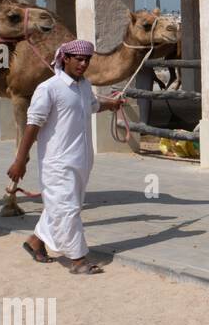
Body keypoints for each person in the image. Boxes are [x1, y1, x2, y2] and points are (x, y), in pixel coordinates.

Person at [7, 39, 123, 274]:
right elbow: (32, 124)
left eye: (87, 60)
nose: (83, 63)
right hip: (57, 162)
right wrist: (20, 160)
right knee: (67, 208)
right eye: (79, 59)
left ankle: (35, 242)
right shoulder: (48, 88)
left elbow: (92, 105)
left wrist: (111, 104)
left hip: (82, 160)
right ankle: (78, 260)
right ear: (65, 59)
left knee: (62, 207)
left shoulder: (84, 86)